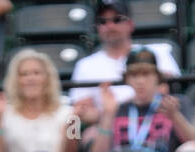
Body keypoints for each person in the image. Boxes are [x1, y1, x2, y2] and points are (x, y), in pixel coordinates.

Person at [82, 48, 193, 152]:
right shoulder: (118, 109)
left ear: (157, 77)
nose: (140, 81)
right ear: (127, 79)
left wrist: (175, 117)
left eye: (146, 74)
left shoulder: (175, 103)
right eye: (134, 75)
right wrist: (108, 114)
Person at [68, 0, 181, 134]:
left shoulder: (157, 53)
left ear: (130, 24)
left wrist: (117, 107)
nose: (110, 26)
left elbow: (166, 92)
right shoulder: (85, 65)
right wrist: (110, 113)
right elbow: (82, 112)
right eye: (103, 22)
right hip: (108, 125)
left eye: (117, 19)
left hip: (155, 121)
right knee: (89, 134)